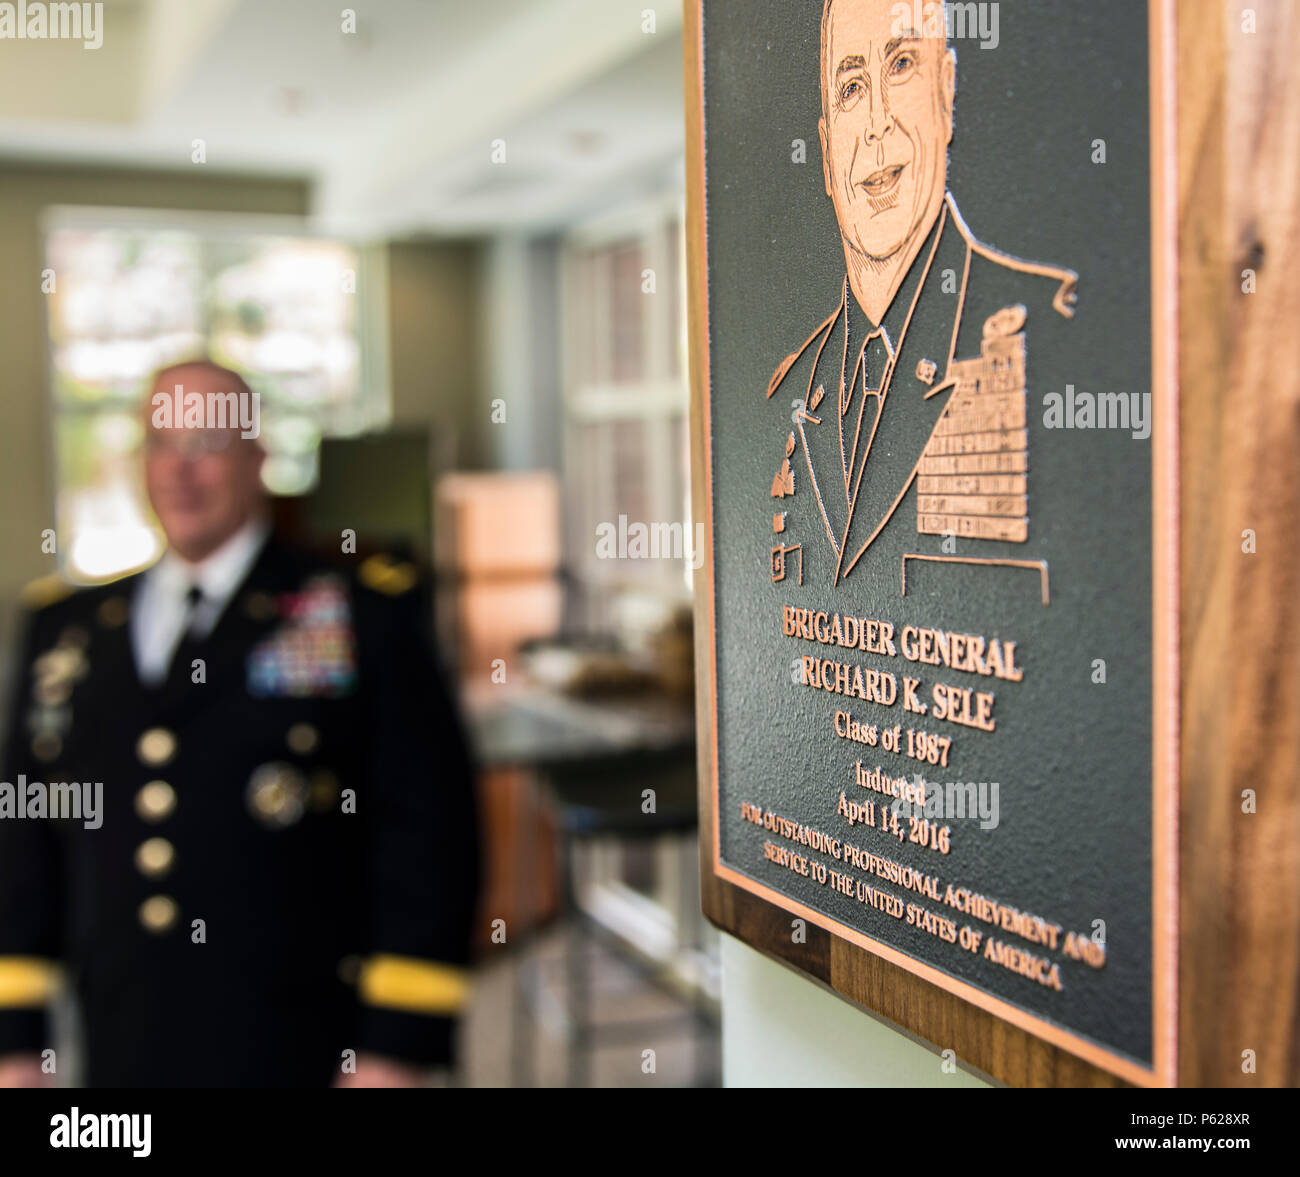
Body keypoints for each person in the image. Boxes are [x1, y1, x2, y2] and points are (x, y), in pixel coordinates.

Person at [0, 360, 480, 1087]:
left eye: (206, 443)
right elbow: (26, 838)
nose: (179, 470)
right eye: (160, 443)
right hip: (123, 1038)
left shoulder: (357, 614)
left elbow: (429, 829)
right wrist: (16, 1039)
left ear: (257, 457)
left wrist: (396, 1047)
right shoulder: (64, 629)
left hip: (305, 1037)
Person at [766, 0, 1078, 592]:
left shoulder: (1051, 331)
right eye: (852, 87)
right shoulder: (794, 384)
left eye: (902, 64)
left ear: (947, 92)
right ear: (828, 153)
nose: (878, 120)